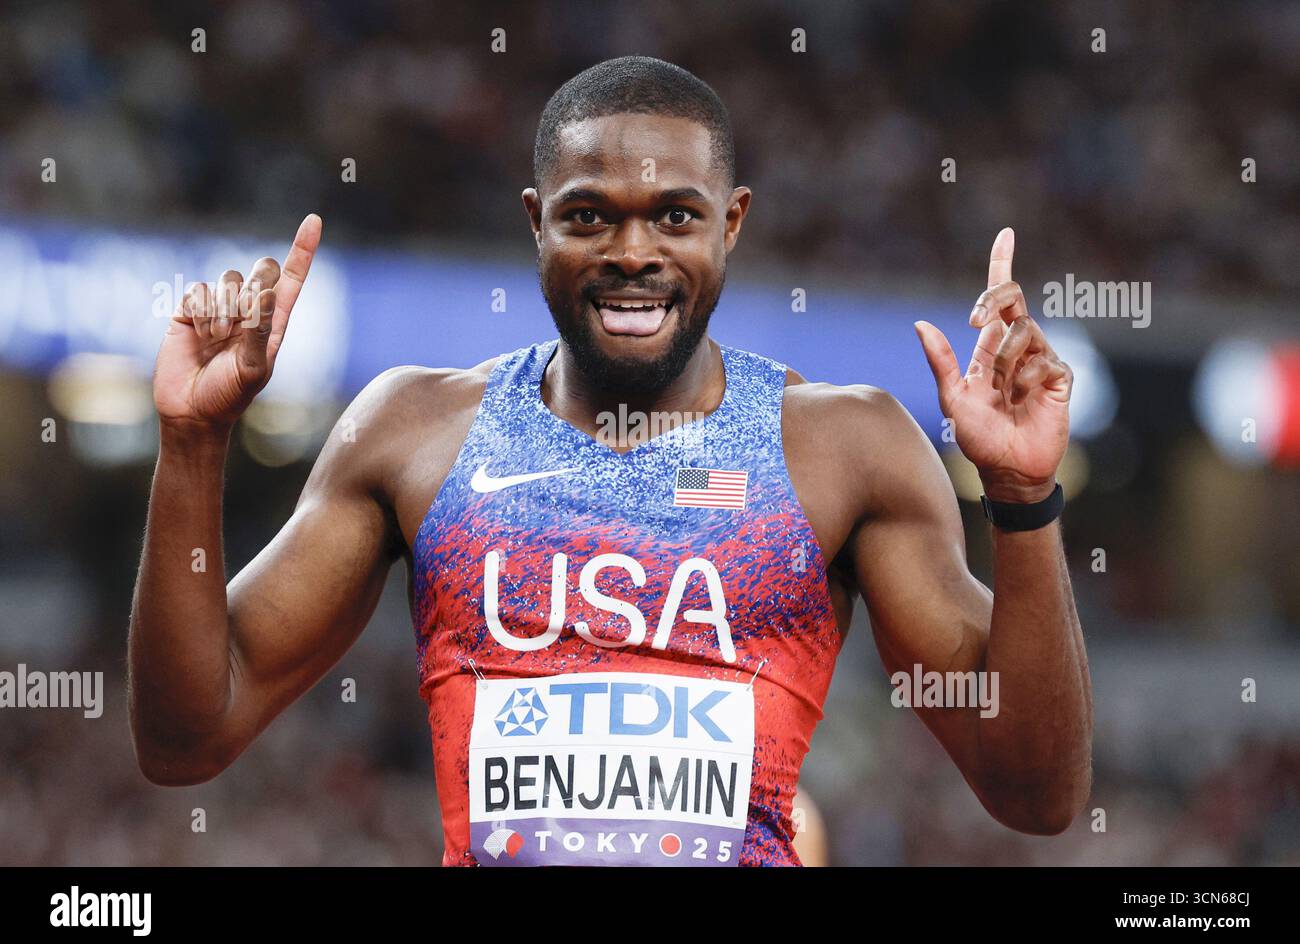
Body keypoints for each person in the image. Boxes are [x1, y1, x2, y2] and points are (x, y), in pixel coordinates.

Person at [128, 56, 1092, 867]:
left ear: (733, 223)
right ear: (535, 221)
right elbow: (186, 736)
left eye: (676, 215)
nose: (634, 251)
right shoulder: (412, 431)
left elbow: (1037, 793)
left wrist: (1021, 496)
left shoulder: (845, 447)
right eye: (590, 216)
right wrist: (192, 443)